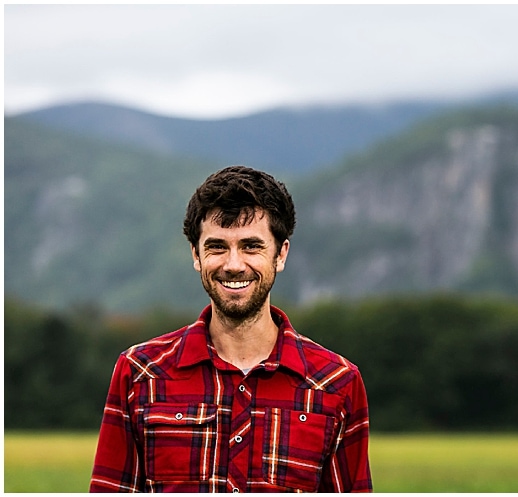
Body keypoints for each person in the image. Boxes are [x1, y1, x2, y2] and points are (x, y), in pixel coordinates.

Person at [90, 166, 371, 492]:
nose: (234, 264)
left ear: (280, 255)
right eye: (217, 247)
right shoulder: (139, 374)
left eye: (251, 246)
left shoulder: (338, 384)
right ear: (196, 255)